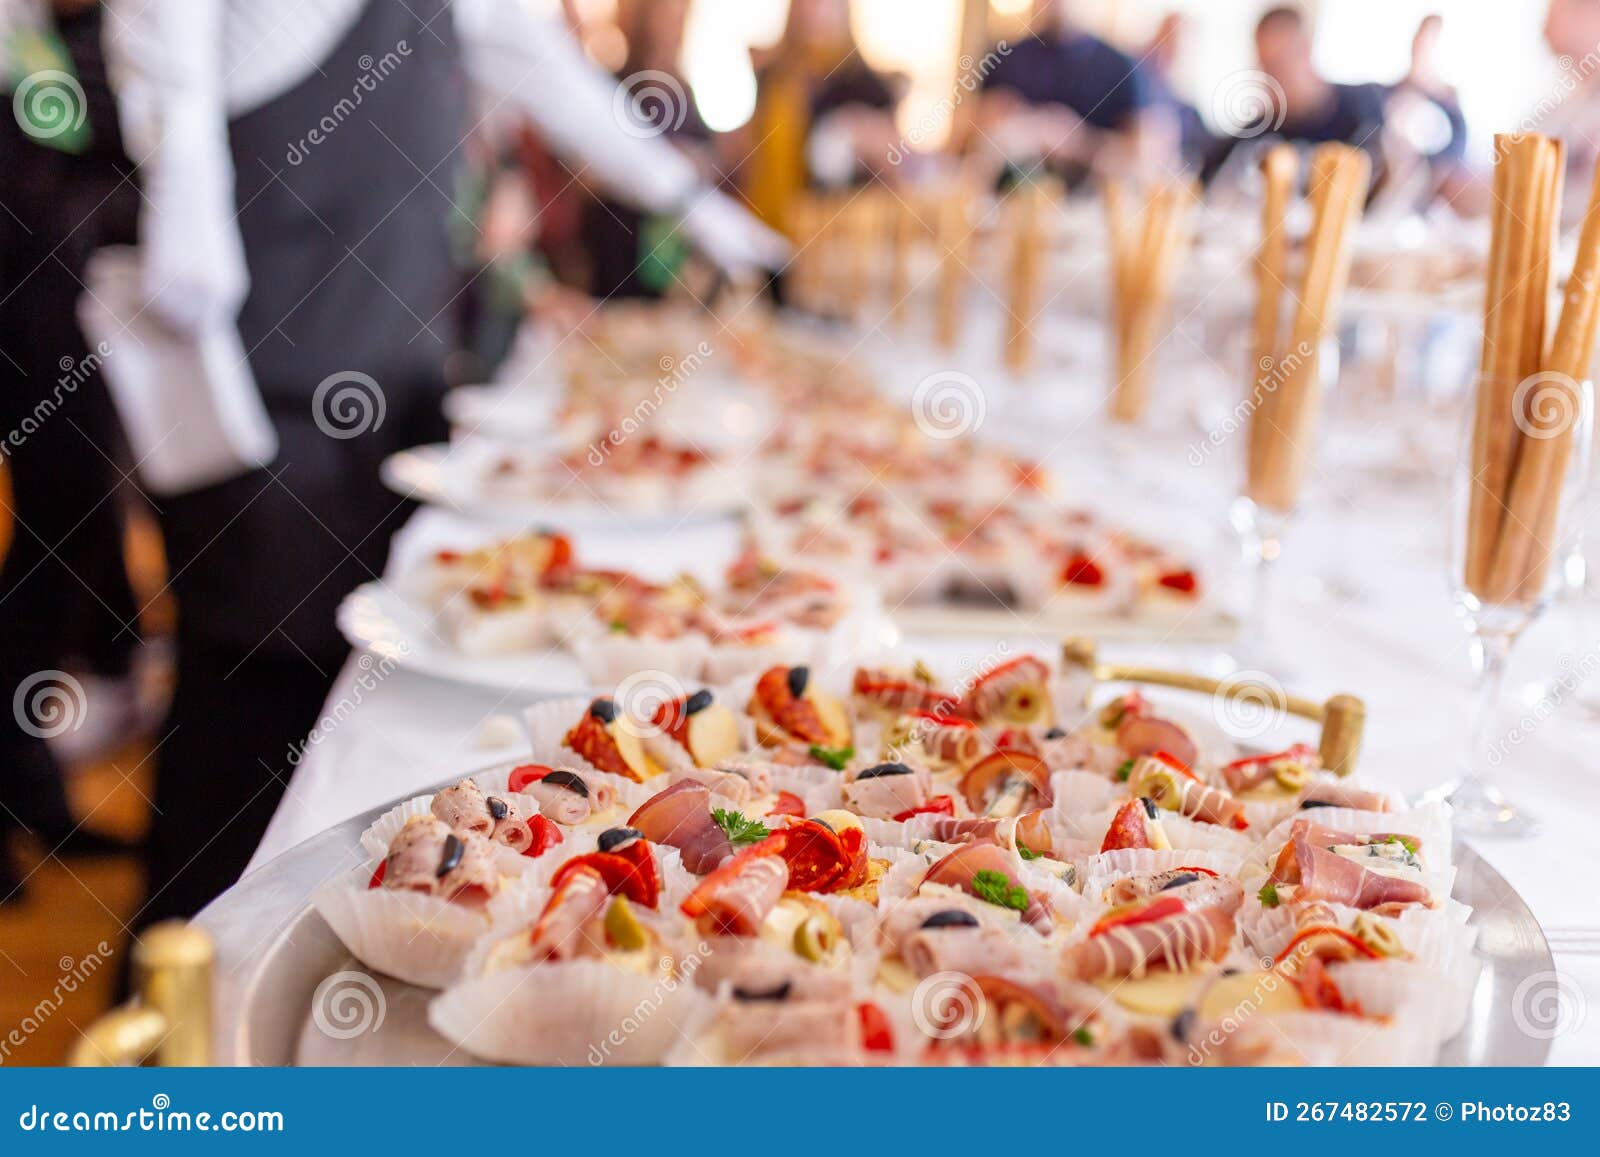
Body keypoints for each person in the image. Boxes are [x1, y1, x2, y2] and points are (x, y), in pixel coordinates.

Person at [100, 0, 786, 926]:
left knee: (328, 702)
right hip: (264, 368)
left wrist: (688, 198)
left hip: (391, 368)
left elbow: (553, 78)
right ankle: (176, 1003)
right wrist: (179, 172)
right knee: (248, 689)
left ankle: (275, 952)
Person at [0, 0, 143, 905]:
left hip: (48, 296)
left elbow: (76, 144)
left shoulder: (42, 34)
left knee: (76, 524)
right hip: (21, 294)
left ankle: (26, 780)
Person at [742, 0, 901, 234]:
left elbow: (894, 169)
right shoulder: (772, 78)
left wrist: (869, 138)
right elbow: (750, 157)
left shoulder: (866, 86)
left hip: (835, 235)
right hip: (765, 229)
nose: (814, 9)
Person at [977, 0, 1170, 188]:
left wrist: (1077, 143)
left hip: (1091, 210)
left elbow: (1145, 162)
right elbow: (965, 140)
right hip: (1008, 205)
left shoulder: (1123, 68)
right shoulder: (1005, 59)